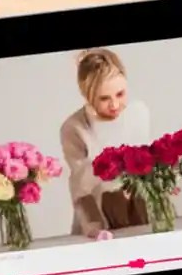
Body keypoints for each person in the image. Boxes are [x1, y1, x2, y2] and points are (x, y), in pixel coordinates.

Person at [59, 48, 151, 237]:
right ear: (87, 95)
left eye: (120, 94)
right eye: (104, 99)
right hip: (99, 221)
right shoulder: (74, 128)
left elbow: (147, 168)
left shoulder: (138, 113)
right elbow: (80, 189)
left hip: (139, 212)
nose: (115, 105)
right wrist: (94, 228)